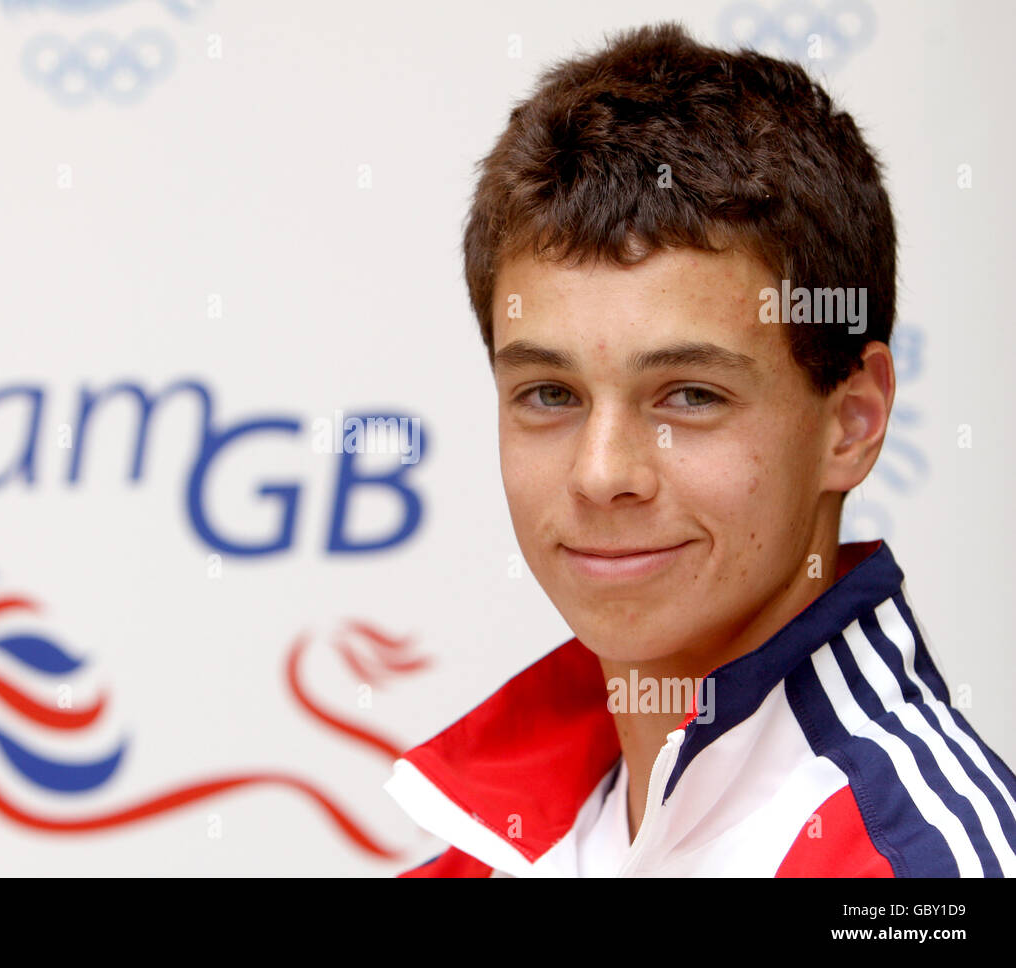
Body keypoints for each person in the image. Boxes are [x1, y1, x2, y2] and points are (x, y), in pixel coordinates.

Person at [383, 21, 1016, 877]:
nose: (602, 474)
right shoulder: (474, 861)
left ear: (853, 421)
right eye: (550, 394)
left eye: (690, 395)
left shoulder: (920, 872)